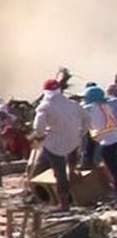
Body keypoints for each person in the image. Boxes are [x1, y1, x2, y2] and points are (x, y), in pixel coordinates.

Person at [33, 79, 88, 210]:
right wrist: (82, 132)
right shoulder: (73, 104)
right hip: (74, 140)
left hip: (55, 144)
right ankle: (73, 173)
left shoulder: (45, 106)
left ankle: (63, 203)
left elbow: (38, 126)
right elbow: (86, 118)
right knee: (71, 160)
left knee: (59, 172)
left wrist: (40, 135)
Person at [84, 85, 117, 195]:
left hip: (107, 145)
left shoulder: (91, 110)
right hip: (115, 139)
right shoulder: (108, 106)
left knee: (114, 172)